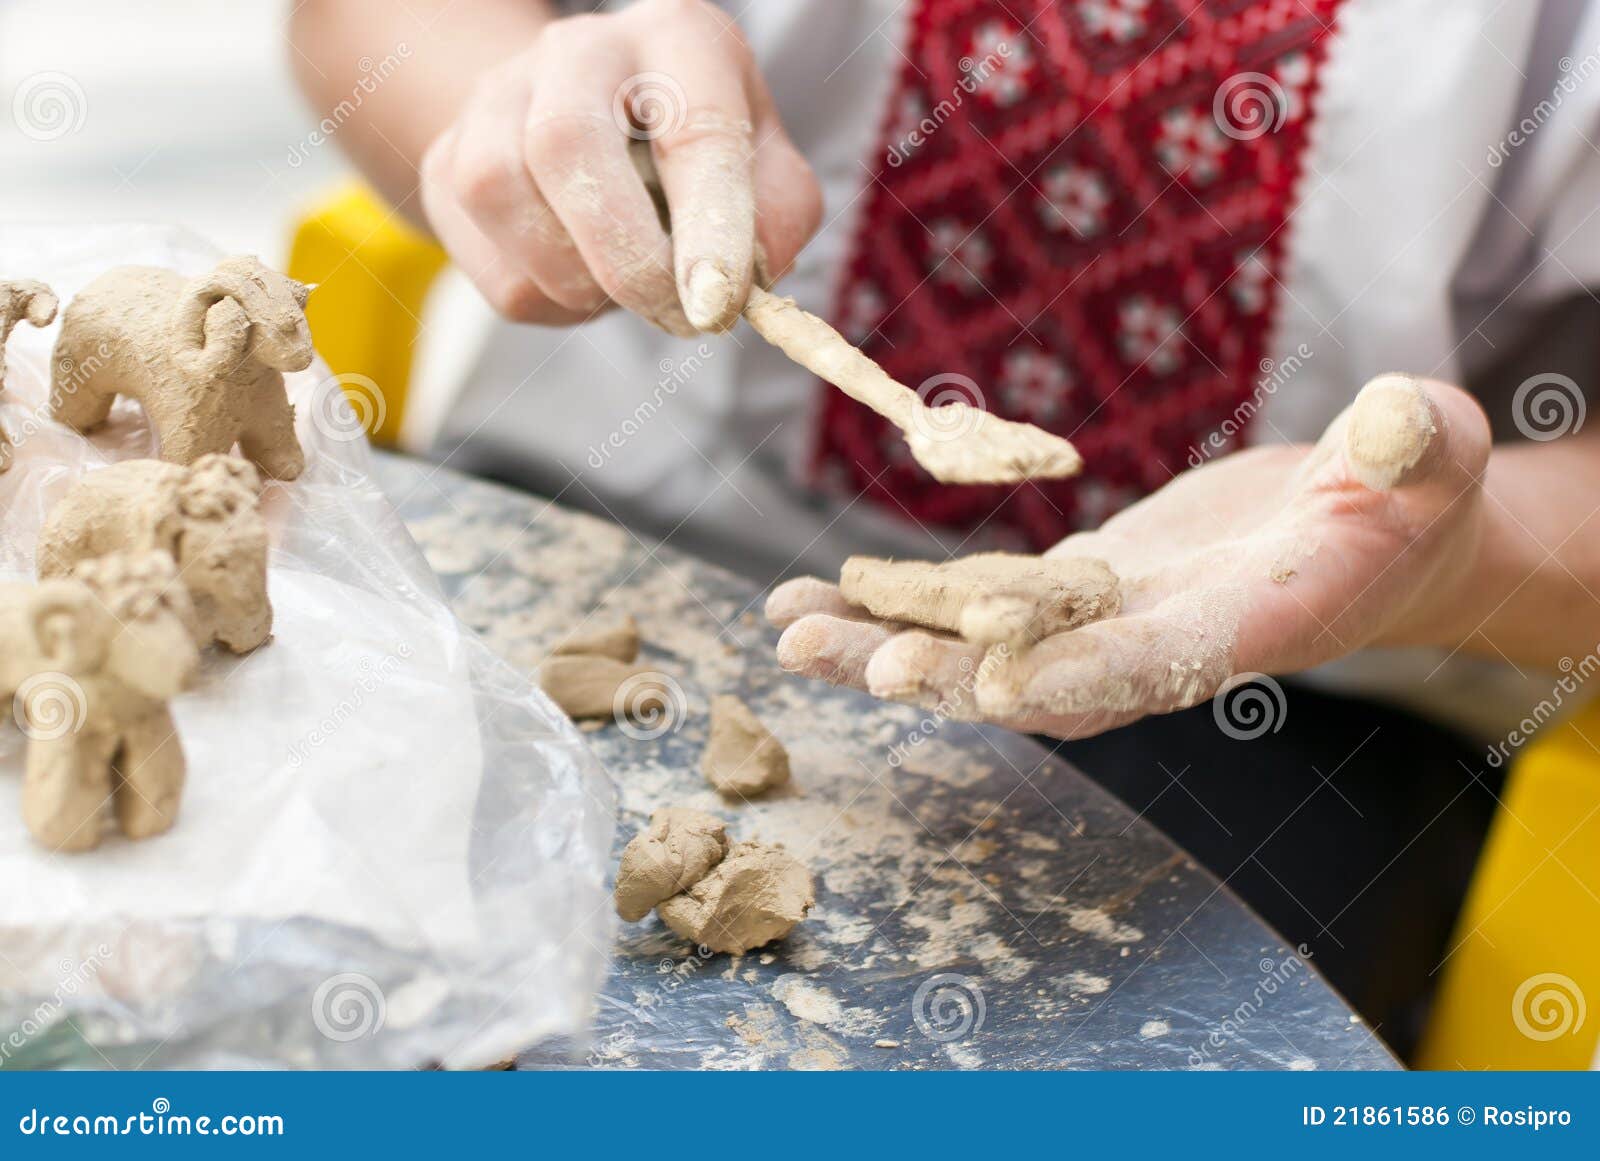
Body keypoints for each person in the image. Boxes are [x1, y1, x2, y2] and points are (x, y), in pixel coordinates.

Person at [292, 0, 1600, 1056]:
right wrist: (511, 104)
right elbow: (356, 19)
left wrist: (1465, 547)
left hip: (1283, 678)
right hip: (584, 488)